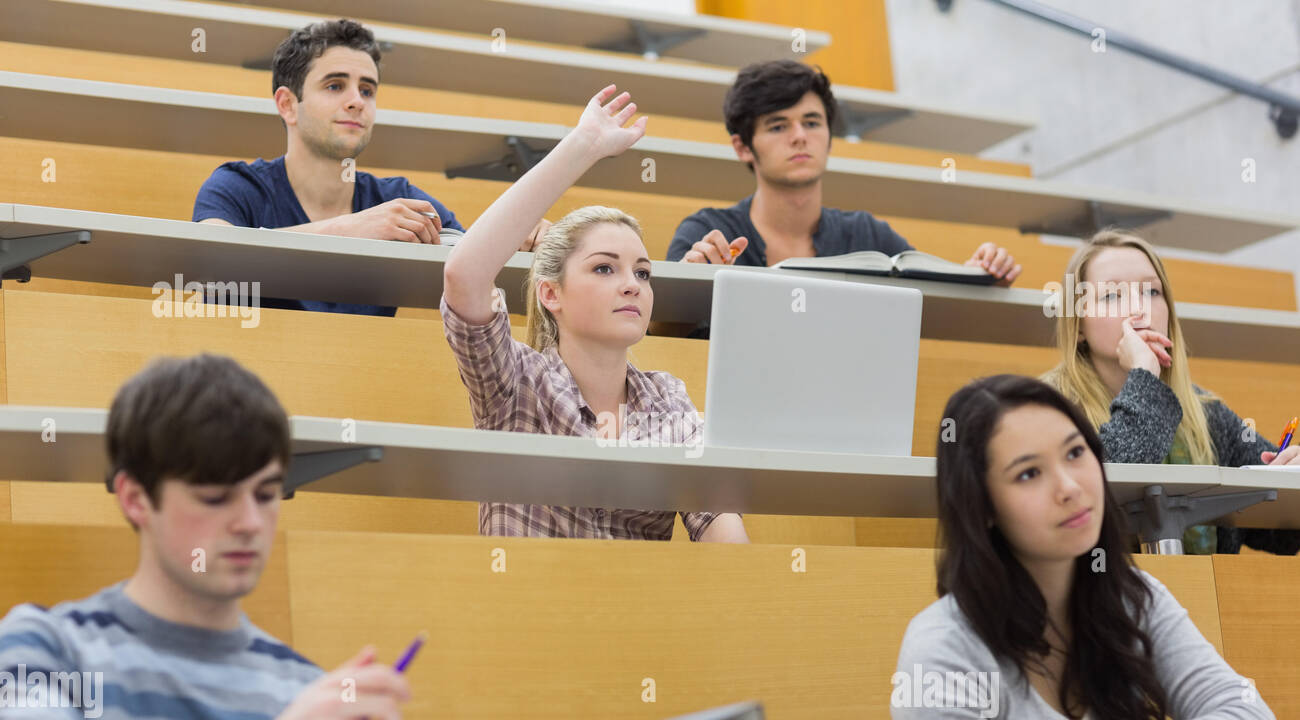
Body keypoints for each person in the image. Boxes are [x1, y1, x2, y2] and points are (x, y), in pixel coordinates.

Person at [0, 354, 410, 720]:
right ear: (134, 498)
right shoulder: (44, 644)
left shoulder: (300, 688)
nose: (249, 523)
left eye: (265, 494)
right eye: (215, 498)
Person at [883, 374, 1280, 720]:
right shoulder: (943, 646)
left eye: (1075, 453)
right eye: (1029, 474)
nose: (1070, 487)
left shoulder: (1133, 599)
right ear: (983, 507)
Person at [441, 85, 748, 542]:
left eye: (643, 273)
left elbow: (724, 536)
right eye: (604, 268)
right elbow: (464, 274)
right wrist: (582, 147)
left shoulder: (669, 400)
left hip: (636, 610)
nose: (631, 284)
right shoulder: (515, 382)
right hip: (525, 608)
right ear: (551, 294)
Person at [192, 18, 548, 314]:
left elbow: (475, 265)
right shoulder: (236, 186)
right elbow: (211, 265)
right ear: (287, 104)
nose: (356, 102)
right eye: (335, 86)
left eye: (367, 90)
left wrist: (529, 241)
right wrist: (348, 230)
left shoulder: (398, 199)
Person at [1041, 228, 1300, 555]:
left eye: (1151, 292)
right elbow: (1098, 499)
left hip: (1203, 599)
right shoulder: (1045, 409)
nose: (1139, 309)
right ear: (1077, 324)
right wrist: (1143, 376)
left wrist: (1291, 473)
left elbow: (1278, 531)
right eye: (1112, 296)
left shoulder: (1205, 412)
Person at [666, 59, 1020, 284]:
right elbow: (666, 333)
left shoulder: (867, 235)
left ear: (830, 137)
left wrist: (981, 272)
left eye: (812, 122)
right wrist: (690, 279)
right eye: (778, 127)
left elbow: (935, 299)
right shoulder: (708, 232)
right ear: (743, 147)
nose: (800, 137)